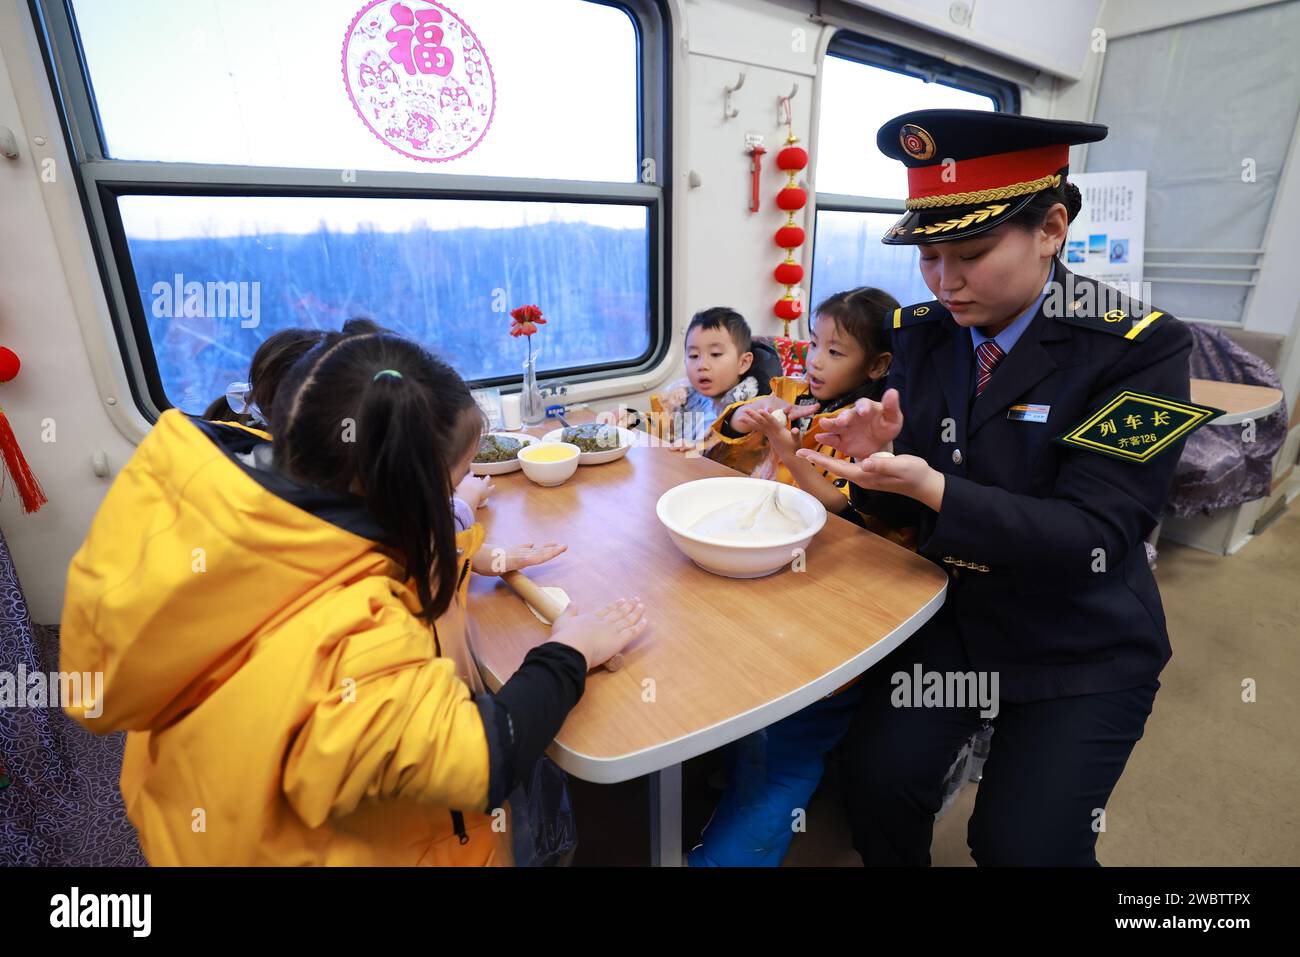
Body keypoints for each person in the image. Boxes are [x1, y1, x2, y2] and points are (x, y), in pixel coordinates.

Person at [798, 110, 1219, 866]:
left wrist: (934, 488)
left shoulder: (1146, 346)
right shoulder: (923, 330)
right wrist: (880, 464)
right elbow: (908, 503)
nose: (945, 280)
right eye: (928, 255)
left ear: (1052, 227)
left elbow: (1096, 534)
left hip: (1080, 640)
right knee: (875, 781)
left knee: (1022, 845)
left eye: (971, 252)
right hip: (956, 621)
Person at [60, 325, 646, 865]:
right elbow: (480, 759)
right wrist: (569, 650)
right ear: (407, 490)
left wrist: (465, 554)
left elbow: (341, 561)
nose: (460, 490)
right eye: (455, 479)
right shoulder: (357, 636)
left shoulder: (233, 516)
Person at [708, 286, 898, 533]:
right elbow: (737, 454)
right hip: (769, 514)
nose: (815, 361)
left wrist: (790, 455)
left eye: (834, 352)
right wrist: (744, 416)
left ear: (877, 365)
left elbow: (848, 516)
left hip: (825, 536)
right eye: (814, 343)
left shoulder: (868, 426)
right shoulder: (791, 390)